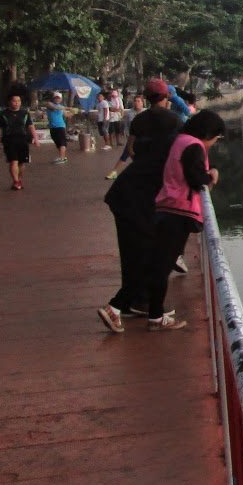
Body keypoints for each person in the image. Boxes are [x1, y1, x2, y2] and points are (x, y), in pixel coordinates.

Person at [97, 82, 183, 331]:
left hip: (126, 192)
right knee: (150, 252)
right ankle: (118, 306)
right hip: (136, 197)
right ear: (167, 96)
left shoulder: (140, 120)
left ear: (146, 98)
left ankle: (140, 303)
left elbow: (131, 148)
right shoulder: (174, 122)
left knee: (133, 251)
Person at [142, 109, 225, 332]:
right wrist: (212, 175)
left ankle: (153, 311)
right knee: (163, 264)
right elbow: (196, 177)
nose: (214, 143)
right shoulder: (193, 146)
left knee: (162, 262)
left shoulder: (180, 140)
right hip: (178, 210)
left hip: (167, 206)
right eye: (216, 137)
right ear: (209, 133)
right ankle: (155, 316)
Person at [0, 87, 36, 190]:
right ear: (10, 102)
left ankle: (19, 179)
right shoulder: (3, 114)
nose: (16, 103)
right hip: (9, 141)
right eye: (14, 101)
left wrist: (36, 138)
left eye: (18, 101)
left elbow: (30, 126)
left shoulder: (25, 113)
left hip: (23, 140)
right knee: (13, 161)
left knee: (21, 163)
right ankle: (15, 181)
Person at [105, 92, 146, 180]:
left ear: (142, 103)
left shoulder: (146, 113)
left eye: (139, 101)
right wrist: (127, 135)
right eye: (135, 101)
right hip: (132, 138)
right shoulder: (130, 113)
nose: (137, 103)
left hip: (143, 139)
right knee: (125, 154)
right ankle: (114, 172)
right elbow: (127, 125)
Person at [45, 92, 70, 163]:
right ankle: (63, 157)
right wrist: (67, 107)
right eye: (56, 98)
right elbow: (55, 108)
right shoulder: (50, 104)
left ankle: (62, 157)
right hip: (52, 127)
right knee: (58, 142)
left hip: (60, 126)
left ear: (61, 99)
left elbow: (66, 115)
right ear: (53, 98)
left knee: (62, 142)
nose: (57, 99)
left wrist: (74, 111)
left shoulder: (61, 107)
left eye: (59, 98)